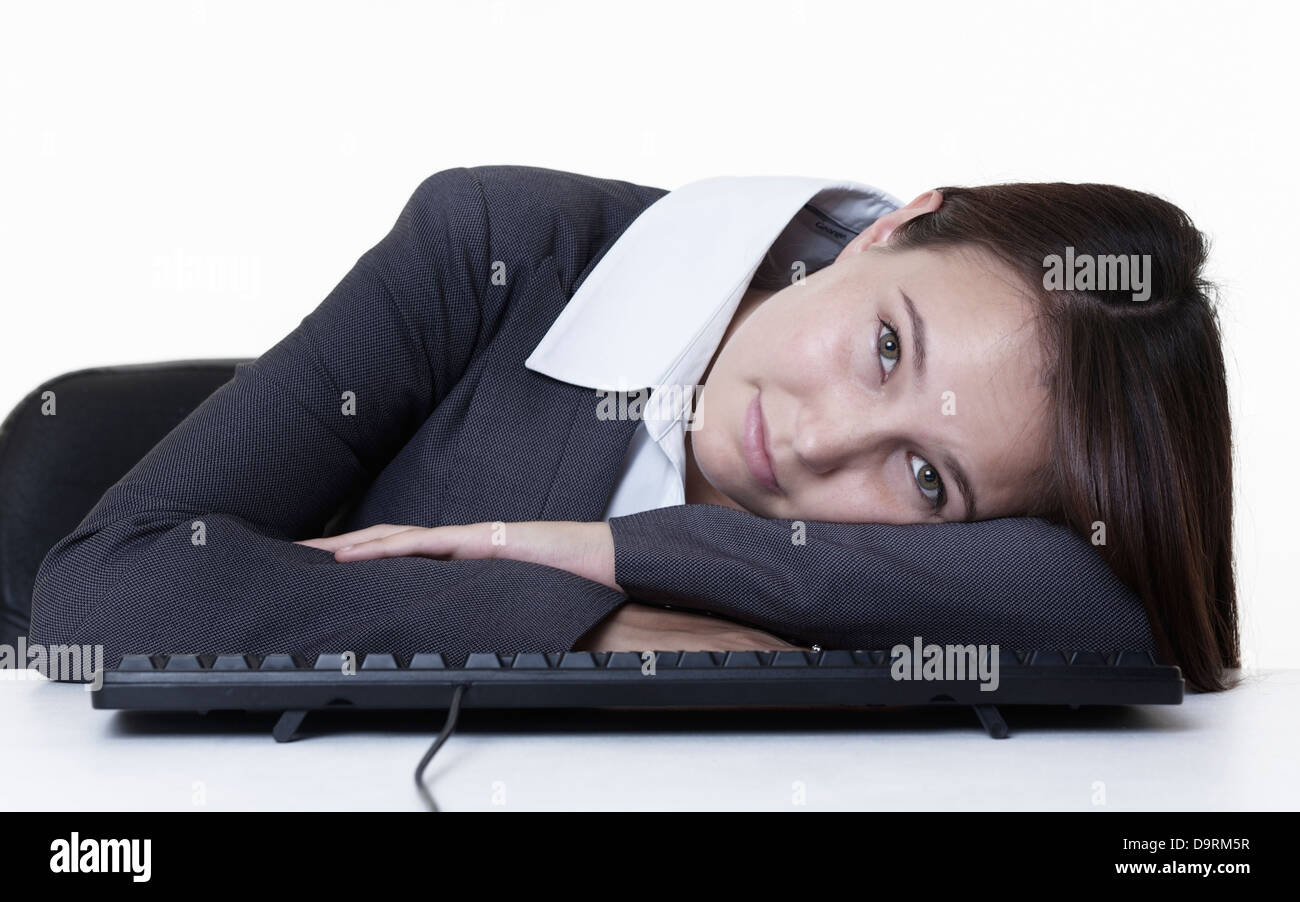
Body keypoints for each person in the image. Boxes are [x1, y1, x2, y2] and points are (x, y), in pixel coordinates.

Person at [29, 166, 1237, 693]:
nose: (821, 442)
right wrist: (587, 626)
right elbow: (99, 596)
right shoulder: (495, 246)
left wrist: (613, 552)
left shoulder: (1010, 549)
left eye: (924, 475)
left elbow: (1129, 622)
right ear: (888, 227)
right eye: (886, 346)